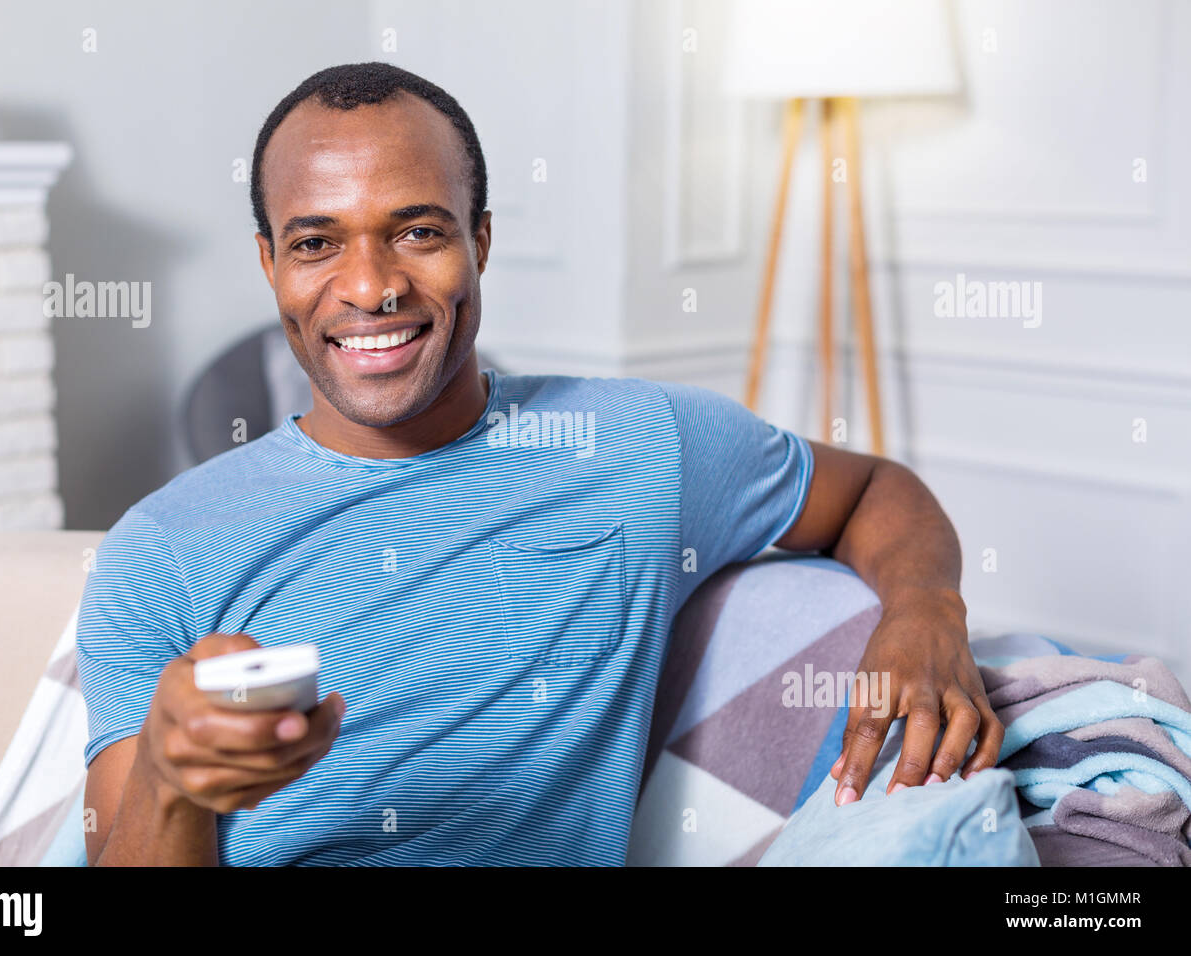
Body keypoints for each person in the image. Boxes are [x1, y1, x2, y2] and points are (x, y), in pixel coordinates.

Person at [79, 61, 1002, 866]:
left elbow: (875, 490)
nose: (371, 287)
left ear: (479, 241)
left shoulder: (643, 443)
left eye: (417, 231)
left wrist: (926, 607)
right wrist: (170, 777)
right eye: (317, 243)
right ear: (270, 263)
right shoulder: (158, 548)